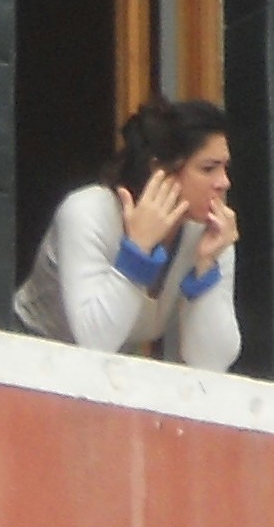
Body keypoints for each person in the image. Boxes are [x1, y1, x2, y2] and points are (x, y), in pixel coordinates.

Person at [15, 98, 238, 374]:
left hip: (111, 370)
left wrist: (206, 269)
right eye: (208, 169)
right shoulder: (88, 211)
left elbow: (211, 361)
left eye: (225, 168)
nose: (224, 182)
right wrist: (137, 251)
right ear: (161, 172)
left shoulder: (210, 235)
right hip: (27, 355)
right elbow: (94, 339)